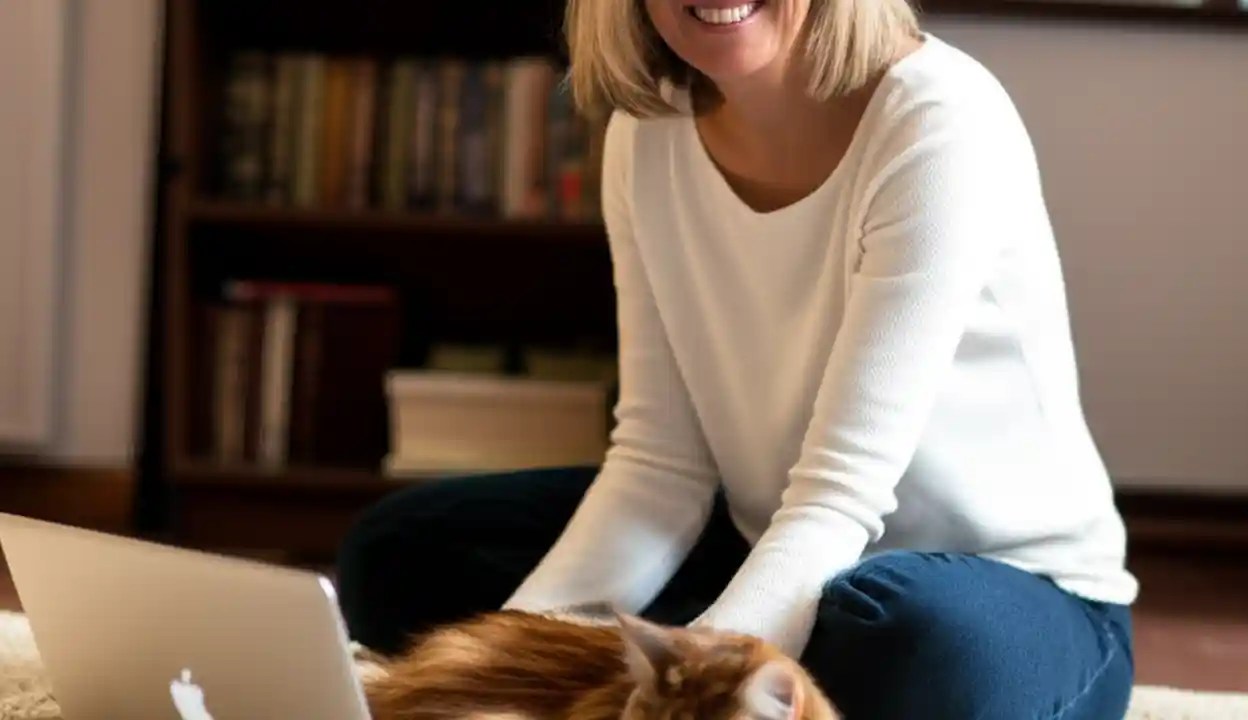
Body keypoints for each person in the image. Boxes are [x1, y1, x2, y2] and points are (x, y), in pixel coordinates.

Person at [337, 0, 1139, 716]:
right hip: (763, 532)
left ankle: (720, 661)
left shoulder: (938, 118)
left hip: (1005, 585)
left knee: (906, 638)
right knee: (401, 552)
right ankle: (729, 659)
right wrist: (501, 666)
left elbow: (838, 498)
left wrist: (687, 671)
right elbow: (659, 464)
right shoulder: (644, 135)